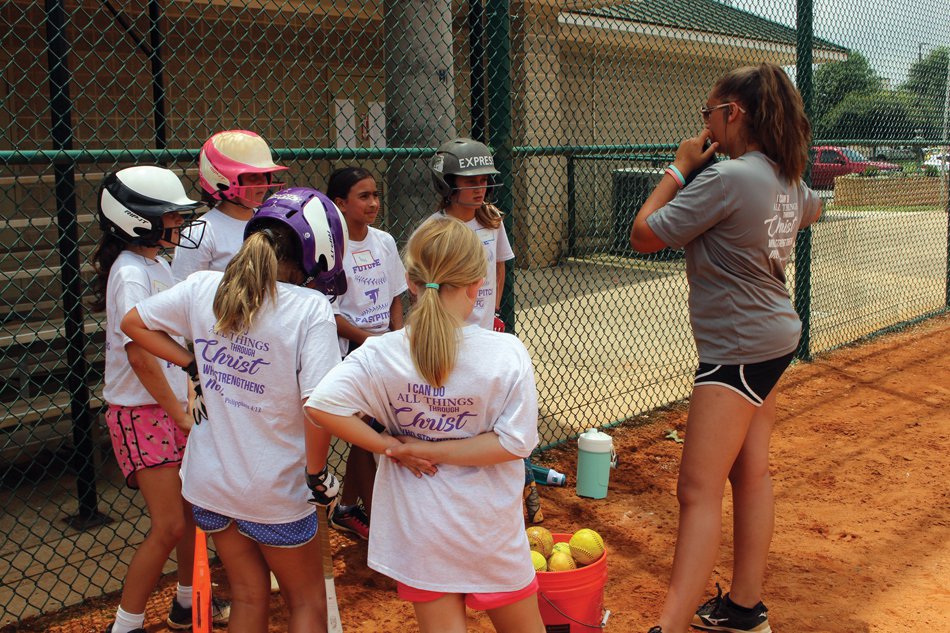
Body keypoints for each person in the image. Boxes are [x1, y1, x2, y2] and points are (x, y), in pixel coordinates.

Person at [630, 63, 822, 633]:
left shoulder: (729, 177)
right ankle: (743, 607)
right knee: (751, 475)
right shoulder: (786, 178)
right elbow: (810, 208)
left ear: (733, 115)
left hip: (736, 349)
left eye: (708, 113)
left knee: (697, 489)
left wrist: (681, 166)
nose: (705, 124)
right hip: (774, 337)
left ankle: (669, 624)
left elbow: (644, 235)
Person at [121, 187, 350, 632]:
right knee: (305, 602)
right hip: (275, 490)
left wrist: (193, 365)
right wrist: (319, 476)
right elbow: (317, 408)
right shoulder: (309, 309)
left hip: (211, 484)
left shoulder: (204, 287)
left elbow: (133, 323)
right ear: (315, 251)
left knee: (247, 593)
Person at [305, 216, 545, 633]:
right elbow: (515, 443)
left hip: (419, 533)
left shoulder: (381, 351)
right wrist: (423, 450)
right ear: (476, 285)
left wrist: (394, 447)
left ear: (411, 284)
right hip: (486, 532)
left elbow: (321, 407)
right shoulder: (506, 352)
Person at [91, 165, 229, 633]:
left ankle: (188, 604)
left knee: (192, 510)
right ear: (135, 219)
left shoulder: (156, 262)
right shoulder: (130, 272)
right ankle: (125, 625)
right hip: (141, 411)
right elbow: (140, 355)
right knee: (169, 525)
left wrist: (188, 392)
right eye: (169, 217)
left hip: (169, 407)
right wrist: (178, 412)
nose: (179, 224)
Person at [428, 138, 544, 524]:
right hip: (448, 339)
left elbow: (499, 266)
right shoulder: (435, 229)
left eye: (484, 180)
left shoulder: (491, 220)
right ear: (447, 184)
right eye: (469, 181)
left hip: (485, 336)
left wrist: (491, 310)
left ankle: (522, 489)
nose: (480, 188)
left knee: (498, 416)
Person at [324, 166, 407, 540]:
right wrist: (368, 341)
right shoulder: (330, 247)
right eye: (363, 196)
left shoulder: (384, 241)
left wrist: (396, 337)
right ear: (340, 203)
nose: (374, 203)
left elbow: (394, 296)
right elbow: (329, 311)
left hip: (383, 347)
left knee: (367, 433)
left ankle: (346, 508)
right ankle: (381, 527)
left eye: (375, 195)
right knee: (369, 433)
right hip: (352, 352)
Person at [171, 129, 287, 282]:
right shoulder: (201, 232)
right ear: (221, 179)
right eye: (252, 176)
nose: (262, 183)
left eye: (265, 175)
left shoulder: (270, 222)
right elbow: (182, 291)